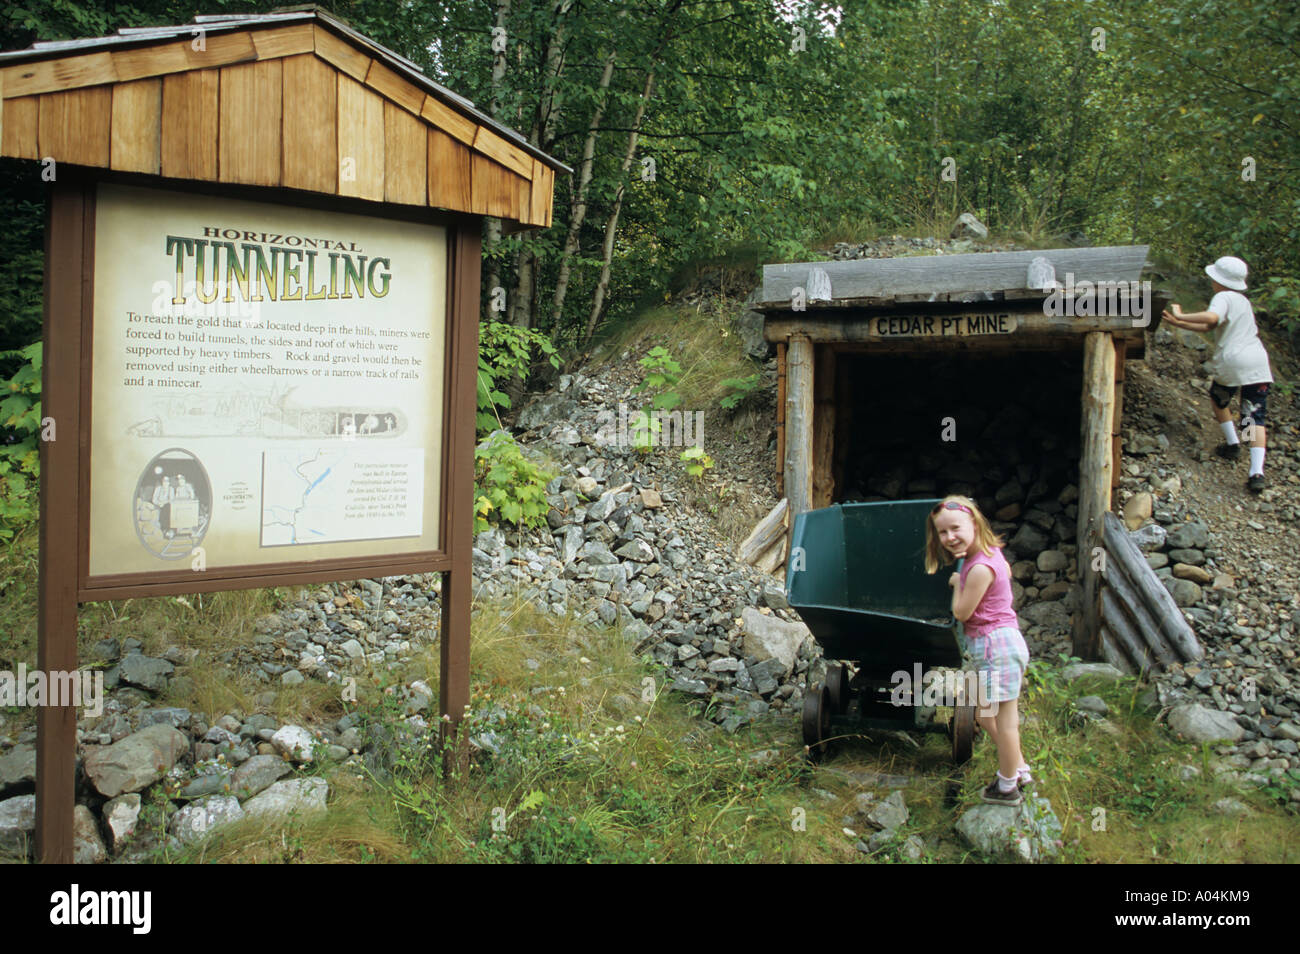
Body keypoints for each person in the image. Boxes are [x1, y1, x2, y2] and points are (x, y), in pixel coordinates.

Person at [925, 495, 1032, 806]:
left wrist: (959, 582)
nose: (949, 538)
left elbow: (961, 612)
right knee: (983, 712)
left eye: (955, 528)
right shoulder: (989, 553)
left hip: (995, 647)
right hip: (995, 645)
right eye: (942, 533)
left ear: (973, 522)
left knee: (1006, 721)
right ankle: (1019, 766)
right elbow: (1007, 574)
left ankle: (1008, 785)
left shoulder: (979, 569)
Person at [1161, 255, 1274, 494]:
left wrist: (1180, 316)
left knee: (1218, 397)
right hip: (1258, 361)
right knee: (1253, 415)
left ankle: (1233, 443)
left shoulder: (1222, 296)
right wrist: (1179, 323)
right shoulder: (1243, 301)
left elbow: (1211, 318)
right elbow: (1210, 326)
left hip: (1234, 361)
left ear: (1218, 279)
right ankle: (1256, 473)